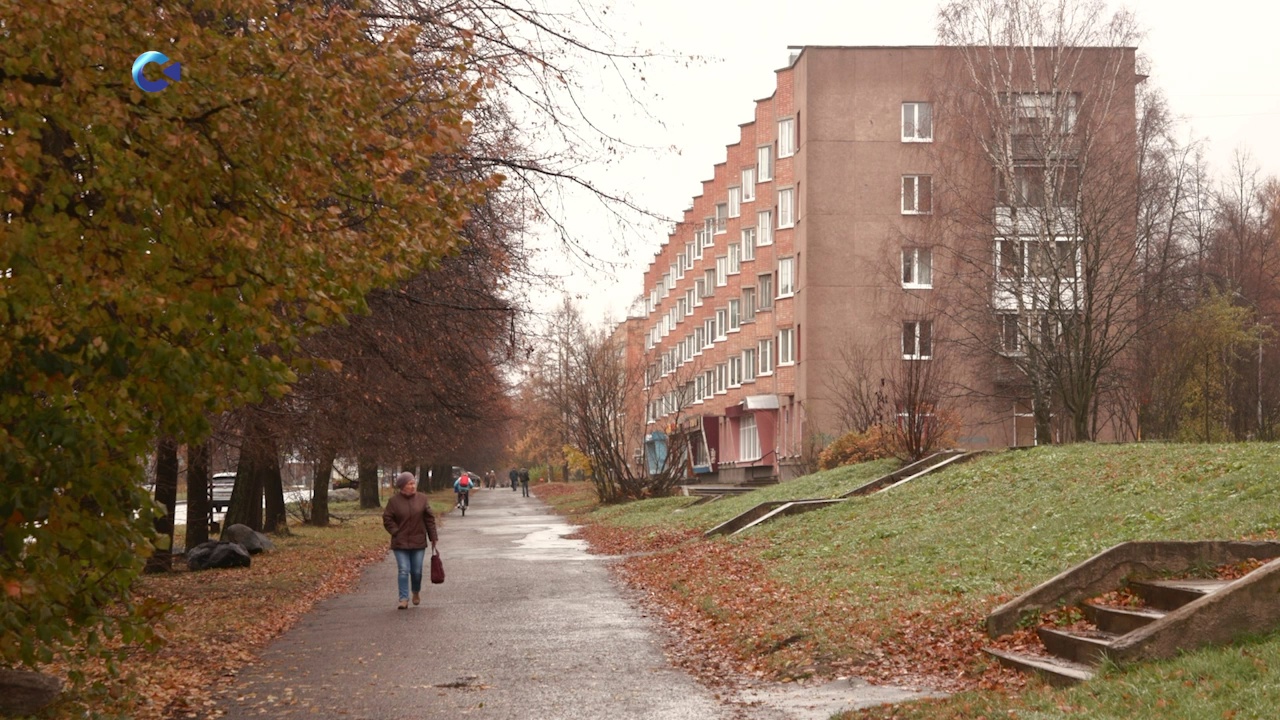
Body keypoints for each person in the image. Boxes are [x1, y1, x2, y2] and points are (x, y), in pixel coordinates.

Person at [382, 472, 438, 610]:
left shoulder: (422, 499)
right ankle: (403, 599)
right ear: (402, 486)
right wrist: (396, 531)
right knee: (403, 570)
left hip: (418, 541)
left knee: (416, 571)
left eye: (414, 483)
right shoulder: (394, 501)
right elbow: (387, 519)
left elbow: (429, 519)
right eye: (410, 484)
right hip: (400, 542)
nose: (413, 486)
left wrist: (433, 537)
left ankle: (416, 591)